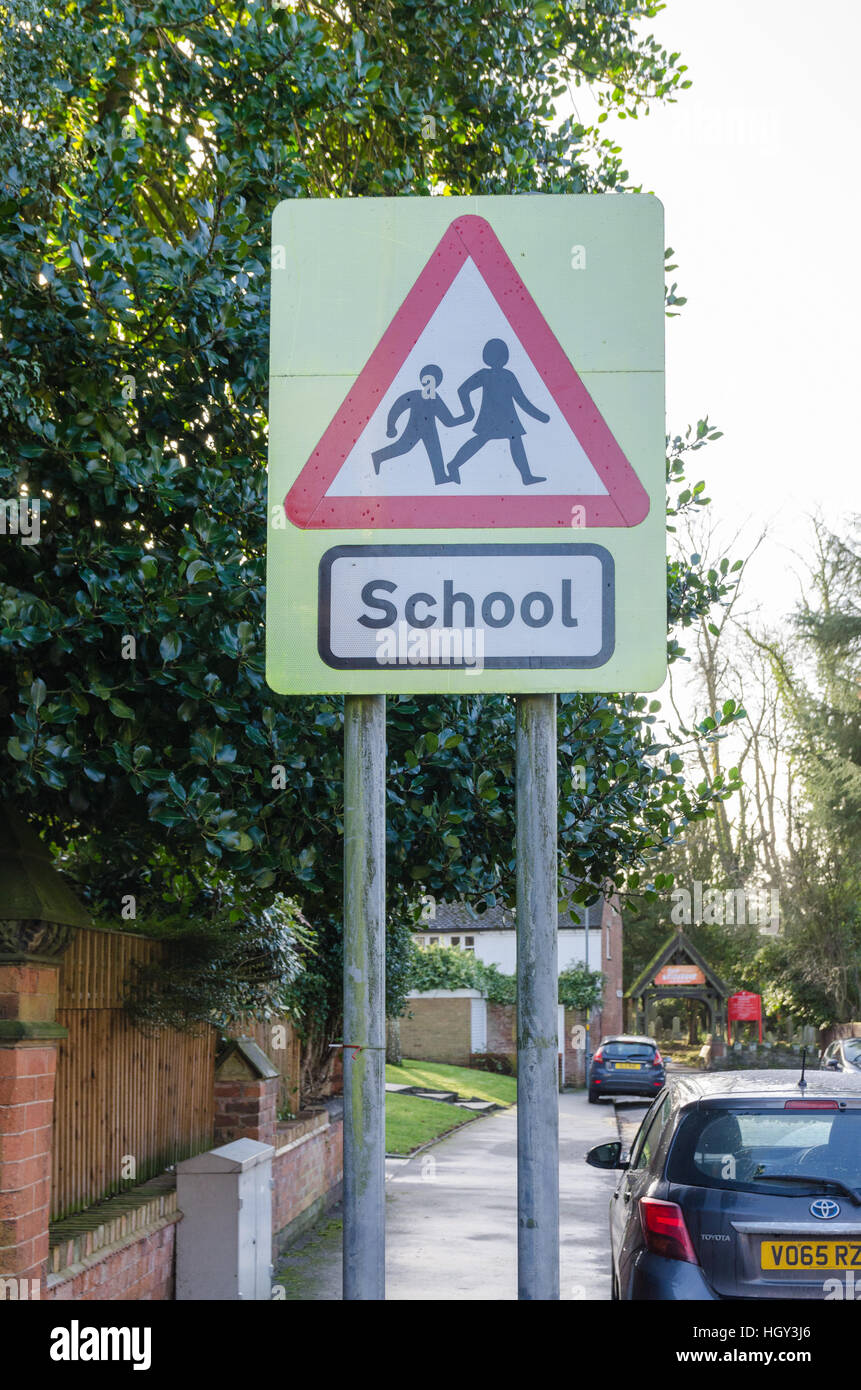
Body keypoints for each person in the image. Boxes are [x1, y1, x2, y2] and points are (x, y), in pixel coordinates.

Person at [447, 338, 550, 485]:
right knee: (487, 440)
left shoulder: (504, 375)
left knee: (513, 440)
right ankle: (453, 464)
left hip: (506, 418)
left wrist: (540, 416)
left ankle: (526, 476)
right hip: (494, 418)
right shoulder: (492, 375)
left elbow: (521, 400)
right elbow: (463, 390)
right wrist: (469, 412)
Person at [371, 365, 465, 486]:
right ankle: (378, 456)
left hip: (430, 430)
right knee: (403, 447)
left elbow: (448, 421)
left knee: (435, 451)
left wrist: (466, 417)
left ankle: (440, 476)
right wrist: (391, 426)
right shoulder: (417, 395)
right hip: (415, 428)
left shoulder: (434, 398)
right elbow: (398, 407)